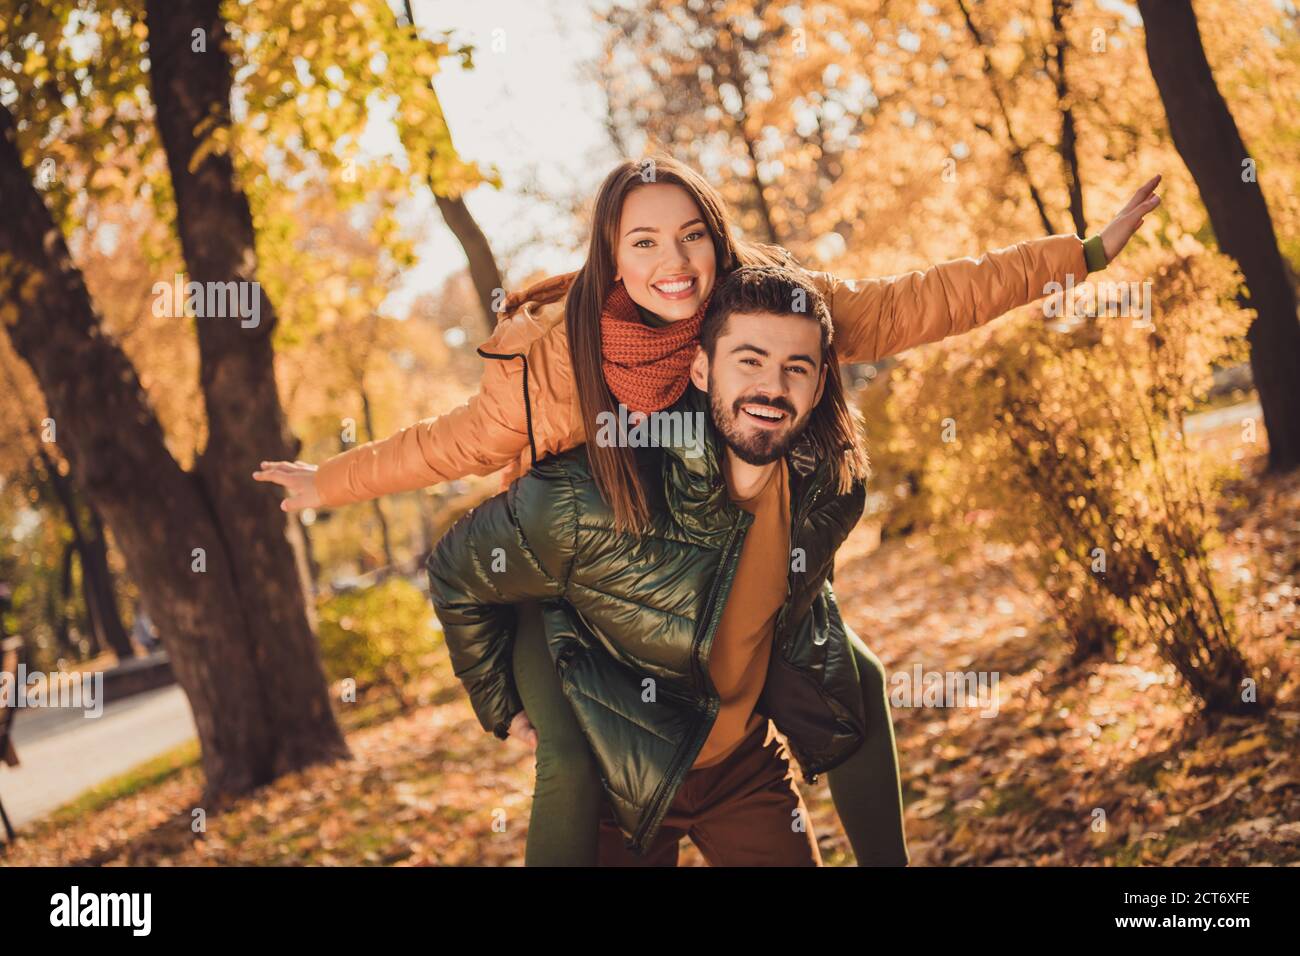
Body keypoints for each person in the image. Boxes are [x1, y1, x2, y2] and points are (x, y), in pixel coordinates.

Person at [254, 157, 1161, 864]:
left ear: (715, 239)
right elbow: (444, 445)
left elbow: (918, 302)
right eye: (643, 243)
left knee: (860, 680)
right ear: (612, 255)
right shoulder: (560, 360)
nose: (673, 262)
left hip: (702, 565)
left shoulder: (756, 310)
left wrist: (1077, 257)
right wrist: (328, 482)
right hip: (559, 577)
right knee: (570, 765)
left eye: (690, 236)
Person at [428, 265, 872, 864]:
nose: (772, 387)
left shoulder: (828, 491)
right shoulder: (595, 493)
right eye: (749, 360)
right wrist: (502, 708)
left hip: (744, 770)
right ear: (700, 368)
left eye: (796, 368)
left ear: (819, 386)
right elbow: (457, 570)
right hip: (621, 783)